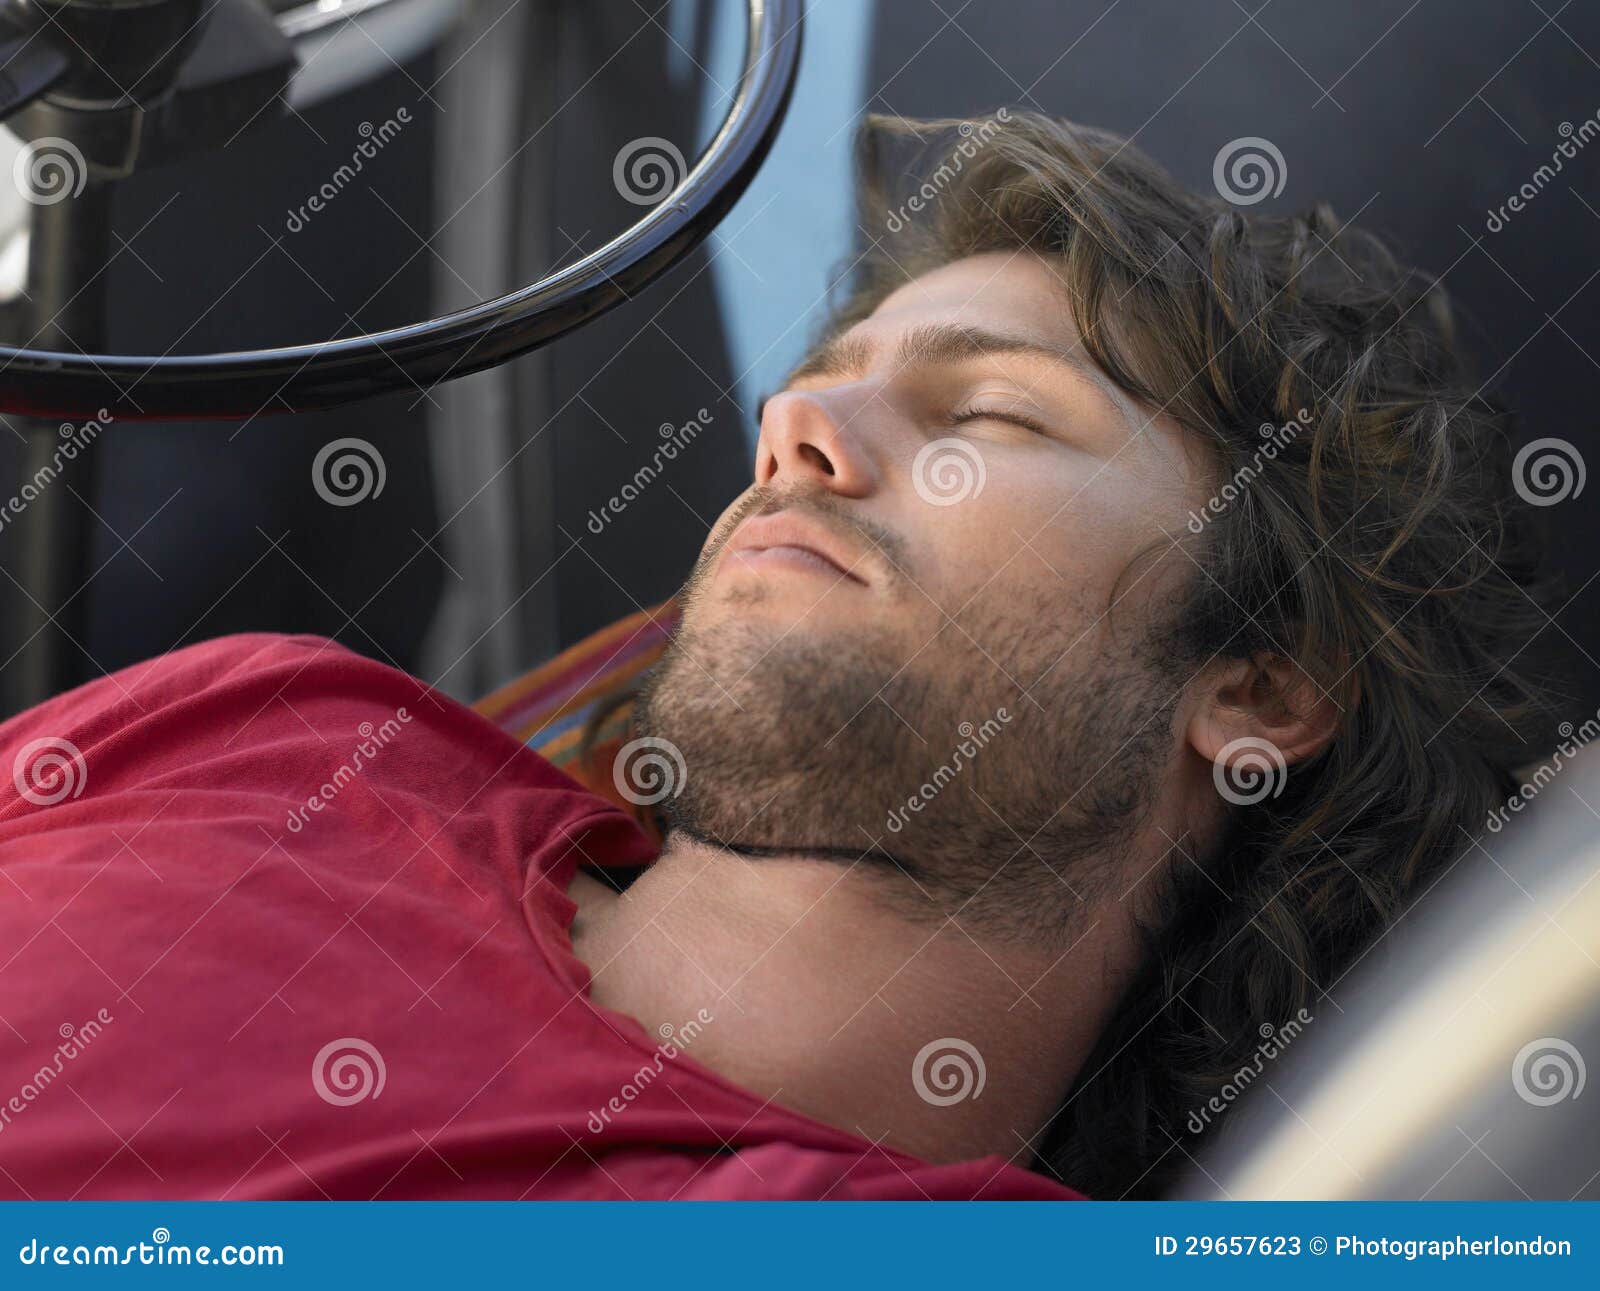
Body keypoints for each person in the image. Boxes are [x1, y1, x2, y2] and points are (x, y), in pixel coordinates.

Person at [0, 110, 1551, 1200]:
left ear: (1262, 688)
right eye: (815, 385)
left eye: (990, 413)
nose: (795, 429)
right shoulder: (280, 724)